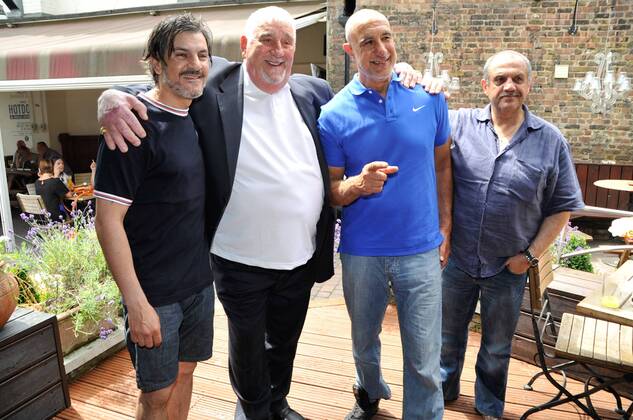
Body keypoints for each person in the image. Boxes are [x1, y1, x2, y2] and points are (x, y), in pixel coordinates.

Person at [97, 7, 432, 418]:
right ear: (244, 46)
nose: (278, 51)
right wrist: (112, 97)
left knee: (285, 345)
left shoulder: (315, 91)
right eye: (266, 40)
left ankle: (279, 403)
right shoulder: (213, 87)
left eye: (287, 42)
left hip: (299, 257)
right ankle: (254, 411)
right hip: (239, 260)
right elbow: (166, 83)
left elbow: (367, 87)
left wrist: (404, 73)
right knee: (249, 352)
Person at [318, 9, 452, 420]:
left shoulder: (428, 97)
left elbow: (443, 166)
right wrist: (358, 184)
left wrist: (446, 225)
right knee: (364, 342)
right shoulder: (333, 114)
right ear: (349, 51)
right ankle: (370, 392)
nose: (381, 50)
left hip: (421, 249)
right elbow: (331, 191)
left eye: (386, 38)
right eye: (367, 43)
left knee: (424, 357)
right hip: (362, 253)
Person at [440, 50, 584, 420]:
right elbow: (421, 139)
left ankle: (489, 407)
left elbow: (562, 207)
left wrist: (530, 256)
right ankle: (443, 392)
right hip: (456, 260)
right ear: (485, 85)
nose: (509, 86)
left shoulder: (550, 141)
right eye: (500, 79)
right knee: (446, 338)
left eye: (518, 79)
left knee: (497, 346)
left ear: (529, 85)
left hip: (508, 266)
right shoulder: (458, 124)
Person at [93, 14, 214, 420]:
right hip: (154, 295)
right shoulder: (131, 125)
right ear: (157, 63)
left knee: (185, 373)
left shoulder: (198, 114)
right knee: (156, 394)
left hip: (199, 284)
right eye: (181, 55)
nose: (195, 64)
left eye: (202, 55)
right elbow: (107, 221)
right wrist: (136, 303)